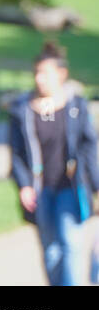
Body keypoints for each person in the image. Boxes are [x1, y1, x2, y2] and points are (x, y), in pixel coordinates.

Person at [7, 41, 99, 286]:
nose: (39, 79)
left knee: (70, 244)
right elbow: (16, 153)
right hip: (40, 188)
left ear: (61, 74)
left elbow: (89, 145)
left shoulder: (75, 107)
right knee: (51, 250)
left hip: (71, 186)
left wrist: (96, 184)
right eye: (36, 73)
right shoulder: (22, 110)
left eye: (45, 74)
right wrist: (24, 184)